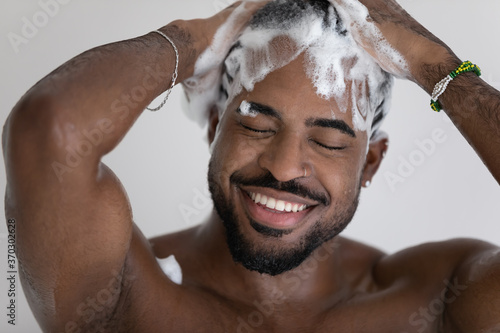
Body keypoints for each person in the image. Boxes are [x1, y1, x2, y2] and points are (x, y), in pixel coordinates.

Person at [3, 0, 499, 332]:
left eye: (328, 141)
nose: (284, 168)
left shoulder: (440, 300)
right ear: (215, 124)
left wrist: (438, 68)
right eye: (257, 126)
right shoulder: (122, 295)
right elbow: (47, 131)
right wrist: (194, 40)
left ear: (370, 162)